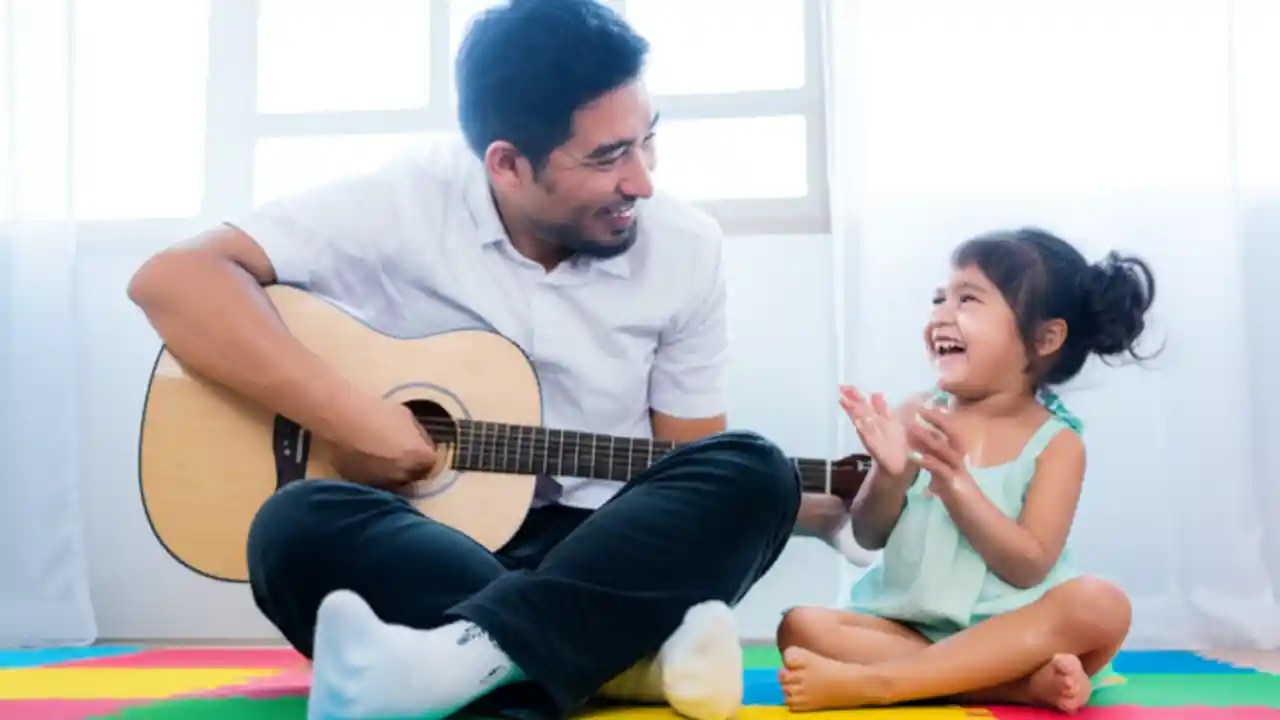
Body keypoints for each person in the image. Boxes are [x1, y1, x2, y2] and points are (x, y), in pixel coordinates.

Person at [127, 2, 844, 719]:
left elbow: (689, 466)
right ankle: (615, 665)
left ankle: (458, 661)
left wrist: (838, 505)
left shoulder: (686, 246)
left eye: (645, 141)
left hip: (605, 551)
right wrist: (352, 419)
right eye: (606, 157)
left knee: (751, 468)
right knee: (291, 526)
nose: (643, 181)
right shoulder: (404, 202)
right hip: (428, 544)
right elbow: (173, 280)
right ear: (505, 163)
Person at [776, 227, 1156, 714]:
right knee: (800, 627)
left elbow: (1029, 565)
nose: (941, 316)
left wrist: (957, 486)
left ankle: (879, 684)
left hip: (1016, 630)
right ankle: (1009, 688)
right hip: (907, 628)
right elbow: (868, 537)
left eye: (968, 300)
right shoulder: (914, 415)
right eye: (939, 299)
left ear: (1044, 337)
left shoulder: (1057, 443)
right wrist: (888, 476)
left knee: (1101, 603)